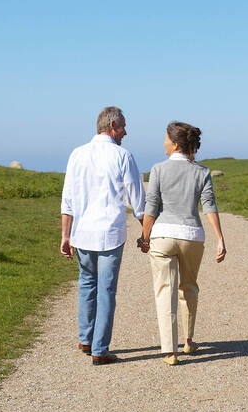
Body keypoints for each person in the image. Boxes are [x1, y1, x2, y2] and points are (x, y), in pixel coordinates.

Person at [60, 106, 146, 364]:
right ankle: (100, 350)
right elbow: (137, 198)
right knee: (106, 289)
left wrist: (65, 235)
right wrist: (147, 232)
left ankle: (85, 339)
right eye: (123, 127)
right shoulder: (122, 155)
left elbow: (68, 198)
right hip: (110, 233)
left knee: (87, 283)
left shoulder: (77, 154)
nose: (125, 132)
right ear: (112, 127)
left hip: (83, 232)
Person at [139, 122, 226, 365]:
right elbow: (209, 205)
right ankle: (188, 341)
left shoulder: (158, 169)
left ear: (175, 144)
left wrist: (145, 238)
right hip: (192, 236)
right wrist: (220, 238)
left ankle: (170, 351)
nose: (163, 143)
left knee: (164, 292)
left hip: (163, 236)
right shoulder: (202, 171)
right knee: (189, 287)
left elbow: (151, 207)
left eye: (166, 139)